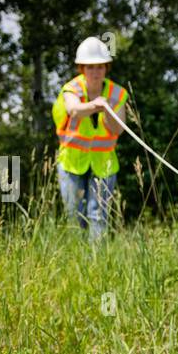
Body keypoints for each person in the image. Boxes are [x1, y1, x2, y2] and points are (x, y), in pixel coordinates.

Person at [52, 36, 127, 242]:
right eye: (90, 67)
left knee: (98, 216)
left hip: (104, 164)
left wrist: (108, 109)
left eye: (100, 67)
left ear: (106, 68)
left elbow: (117, 129)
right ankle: (77, 262)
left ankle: (96, 263)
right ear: (82, 68)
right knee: (75, 216)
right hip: (72, 163)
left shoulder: (117, 93)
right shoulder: (72, 89)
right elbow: (74, 110)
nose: (96, 72)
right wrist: (96, 105)